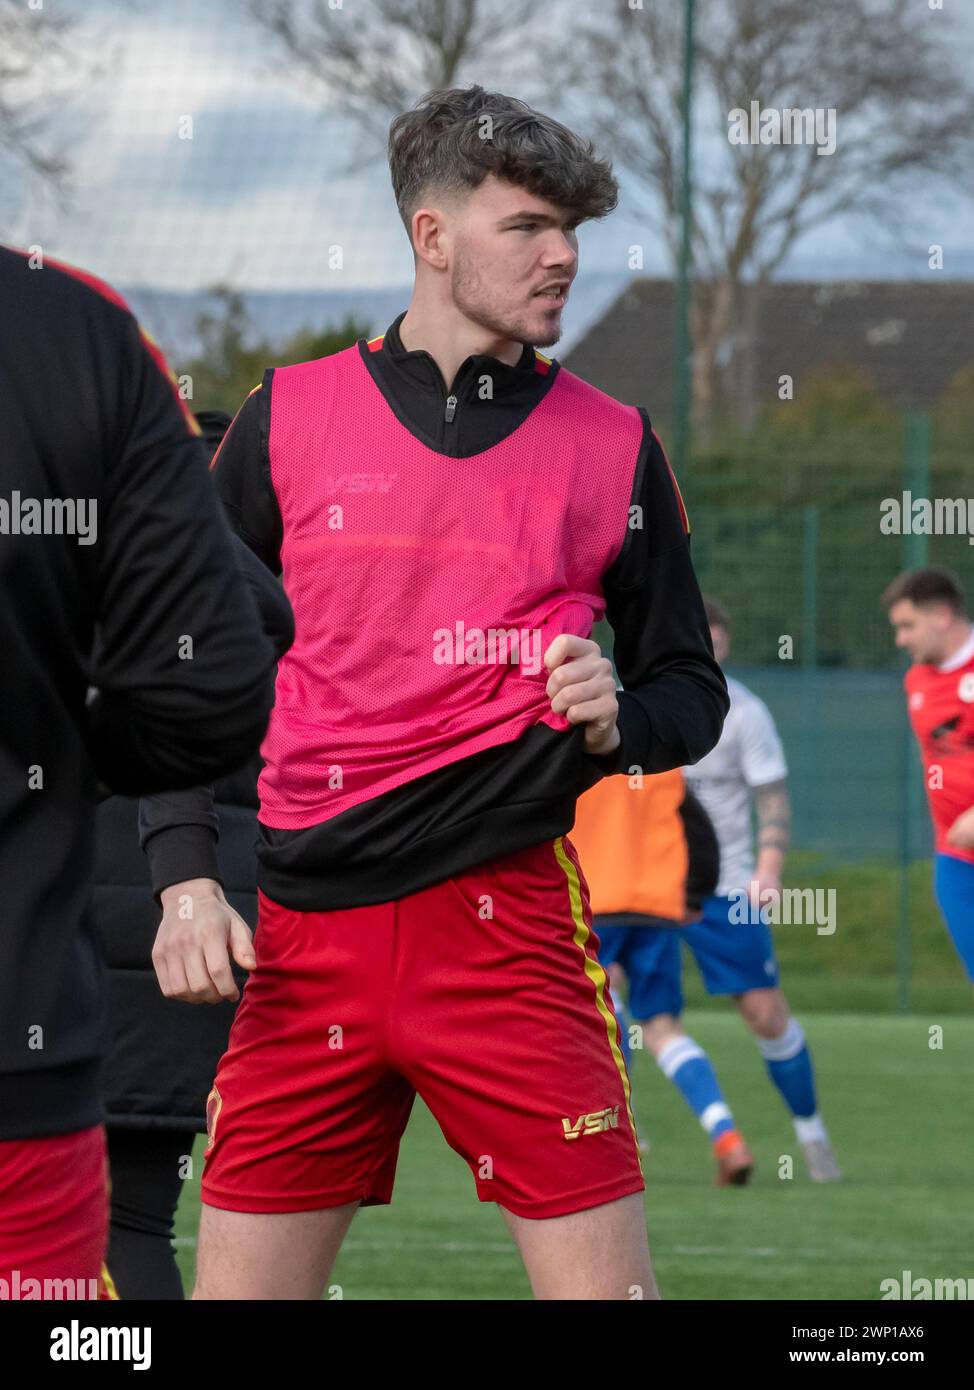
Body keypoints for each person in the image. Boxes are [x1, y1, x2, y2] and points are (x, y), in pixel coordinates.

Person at [148, 86, 728, 1301]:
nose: (562, 254)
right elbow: (185, 664)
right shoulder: (281, 417)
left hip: (510, 930)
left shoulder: (613, 440)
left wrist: (619, 712)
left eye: (572, 227)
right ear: (430, 237)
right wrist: (187, 874)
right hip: (303, 941)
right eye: (527, 226)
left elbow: (689, 688)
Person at [0, 248, 285, 1297]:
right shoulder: (75, 334)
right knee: (130, 1229)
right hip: (37, 1005)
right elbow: (225, 663)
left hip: (126, 945)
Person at [95, 412, 290, 1300]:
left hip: (127, 940)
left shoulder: (130, 568)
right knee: (134, 1219)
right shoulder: (259, 597)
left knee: (110, 1224)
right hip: (209, 931)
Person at [682, 598, 841, 1182]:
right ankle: (613, 1137)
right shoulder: (639, 704)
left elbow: (773, 801)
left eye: (711, 632)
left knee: (765, 1014)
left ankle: (812, 1135)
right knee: (605, 1006)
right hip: (642, 889)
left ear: (722, 640)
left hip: (723, 891)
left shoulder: (744, 713)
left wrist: (769, 867)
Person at [571, 766, 756, 1184]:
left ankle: (620, 1135)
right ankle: (726, 1136)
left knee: (600, 1009)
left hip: (594, 903)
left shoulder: (573, 760)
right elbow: (701, 834)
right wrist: (694, 895)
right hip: (657, 909)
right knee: (663, 1028)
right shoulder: (661, 765)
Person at [884, 567, 974, 985]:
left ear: (941, 615)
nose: (901, 639)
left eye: (908, 625)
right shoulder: (916, 680)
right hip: (956, 858)